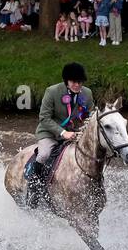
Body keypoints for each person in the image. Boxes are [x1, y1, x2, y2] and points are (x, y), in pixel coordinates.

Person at [24, 62, 94, 206]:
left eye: (80, 82)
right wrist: (62, 133)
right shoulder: (52, 91)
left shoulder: (87, 93)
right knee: (43, 155)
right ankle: (34, 188)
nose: (77, 85)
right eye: (74, 82)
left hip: (75, 133)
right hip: (49, 133)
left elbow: (90, 114)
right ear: (66, 81)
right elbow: (44, 118)